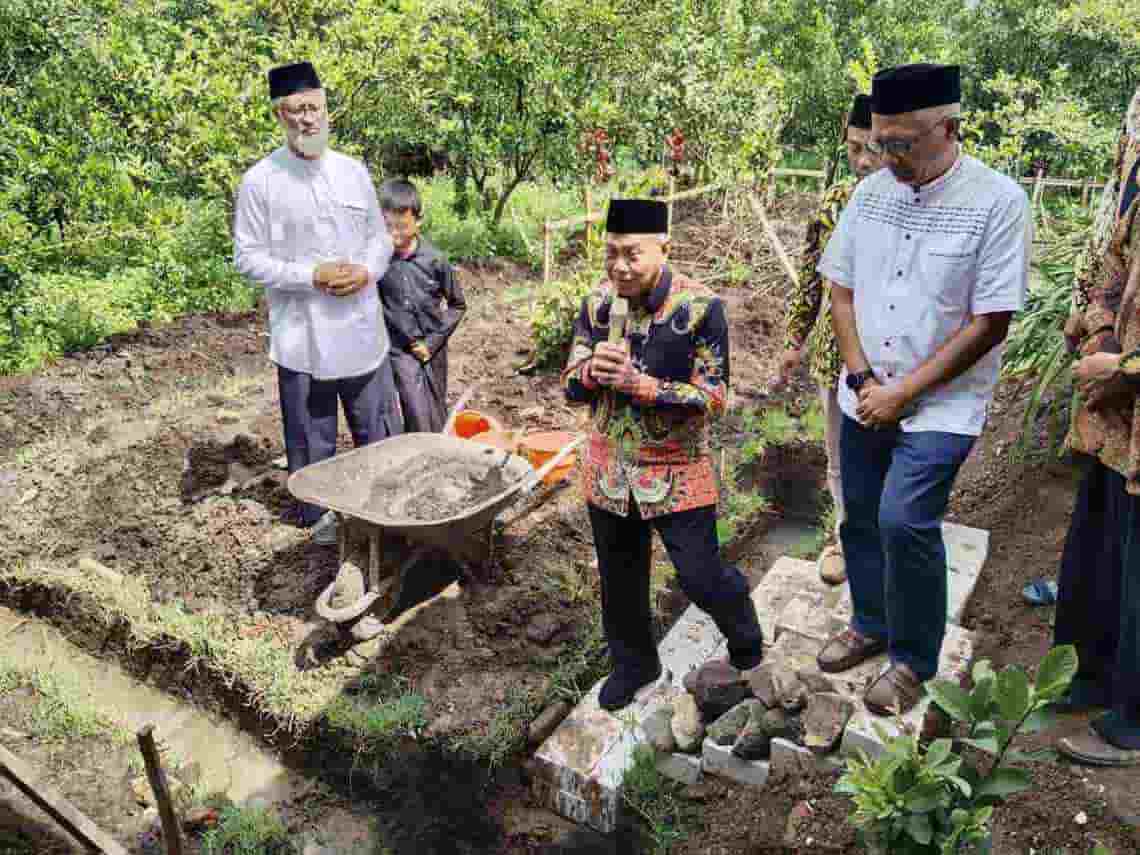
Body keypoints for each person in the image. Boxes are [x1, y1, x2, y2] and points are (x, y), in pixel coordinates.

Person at [815, 63, 1031, 715]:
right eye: (881, 141)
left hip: (942, 403)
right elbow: (841, 288)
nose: (887, 155)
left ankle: (913, 657)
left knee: (904, 519)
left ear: (949, 128)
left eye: (902, 142)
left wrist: (904, 392)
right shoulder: (869, 194)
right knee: (859, 514)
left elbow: (990, 320)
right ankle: (870, 621)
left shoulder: (998, 203)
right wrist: (860, 377)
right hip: (866, 391)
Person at [562, 198, 765, 712]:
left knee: (700, 574)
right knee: (619, 578)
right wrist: (590, 373)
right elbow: (570, 384)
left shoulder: (701, 309)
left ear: (663, 248)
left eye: (632, 254)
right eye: (610, 254)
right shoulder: (595, 305)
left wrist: (643, 385)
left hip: (676, 468)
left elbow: (714, 398)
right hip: (608, 469)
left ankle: (744, 635)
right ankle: (634, 664)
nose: (619, 267)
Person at [233, 61, 400, 545]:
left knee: (379, 436)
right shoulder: (260, 181)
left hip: (363, 331)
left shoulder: (352, 171)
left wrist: (368, 270)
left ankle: (385, 514)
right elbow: (247, 258)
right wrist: (311, 276)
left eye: (316, 108)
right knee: (313, 444)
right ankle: (322, 529)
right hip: (303, 338)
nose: (309, 119)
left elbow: (380, 238)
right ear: (279, 115)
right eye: (297, 110)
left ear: (327, 110)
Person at [1052, 84, 1140, 767]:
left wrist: (1127, 365)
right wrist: (1101, 330)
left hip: (1131, 387)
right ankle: (1091, 674)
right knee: (1101, 545)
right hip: (1118, 415)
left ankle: (1132, 718)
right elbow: (1117, 256)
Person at [779, 93, 882, 585]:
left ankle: (884, 540)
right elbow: (810, 279)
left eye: (874, 149)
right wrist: (793, 339)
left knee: (884, 455)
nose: (863, 161)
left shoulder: (909, 204)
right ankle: (844, 540)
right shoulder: (832, 204)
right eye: (854, 148)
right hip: (832, 356)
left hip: (889, 359)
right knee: (838, 456)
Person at [378, 179, 467, 433]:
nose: (394, 234)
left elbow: (458, 305)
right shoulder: (379, 261)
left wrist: (431, 344)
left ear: (418, 221)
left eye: (401, 226)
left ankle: (436, 458)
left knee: (436, 409)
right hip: (400, 350)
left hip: (433, 348)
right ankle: (416, 457)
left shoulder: (435, 260)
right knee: (415, 409)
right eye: (387, 226)